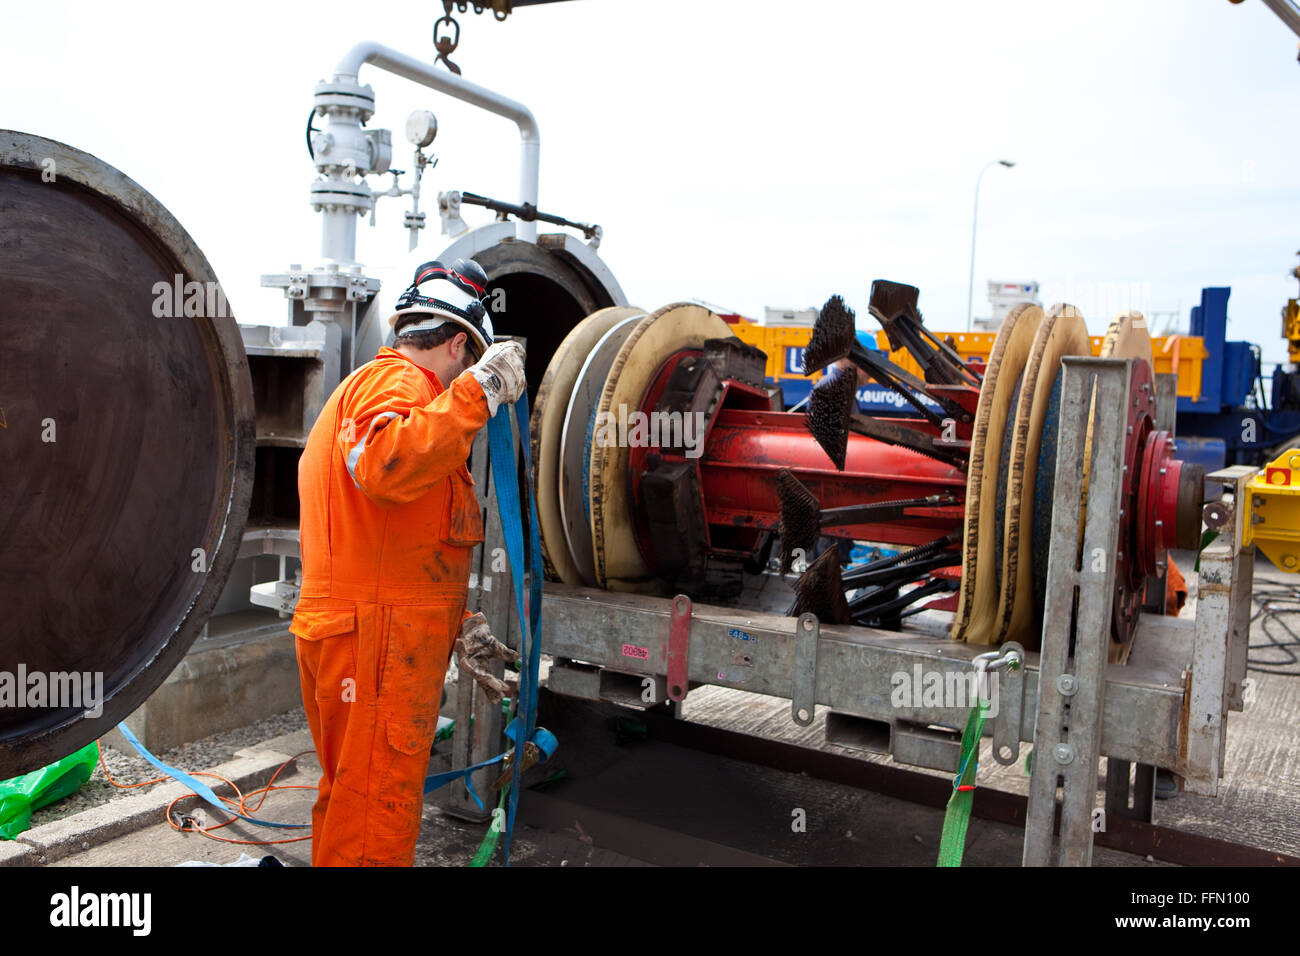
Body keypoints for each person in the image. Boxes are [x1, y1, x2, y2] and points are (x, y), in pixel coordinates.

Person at [289, 257, 526, 866]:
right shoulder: (398, 386)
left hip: (366, 639)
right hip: (374, 651)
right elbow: (382, 464)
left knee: (352, 805)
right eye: (469, 365)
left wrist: (457, 621)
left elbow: (399, 544)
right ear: (457, 346)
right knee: (375, 820)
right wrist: (482, 392)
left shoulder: (397, 398)